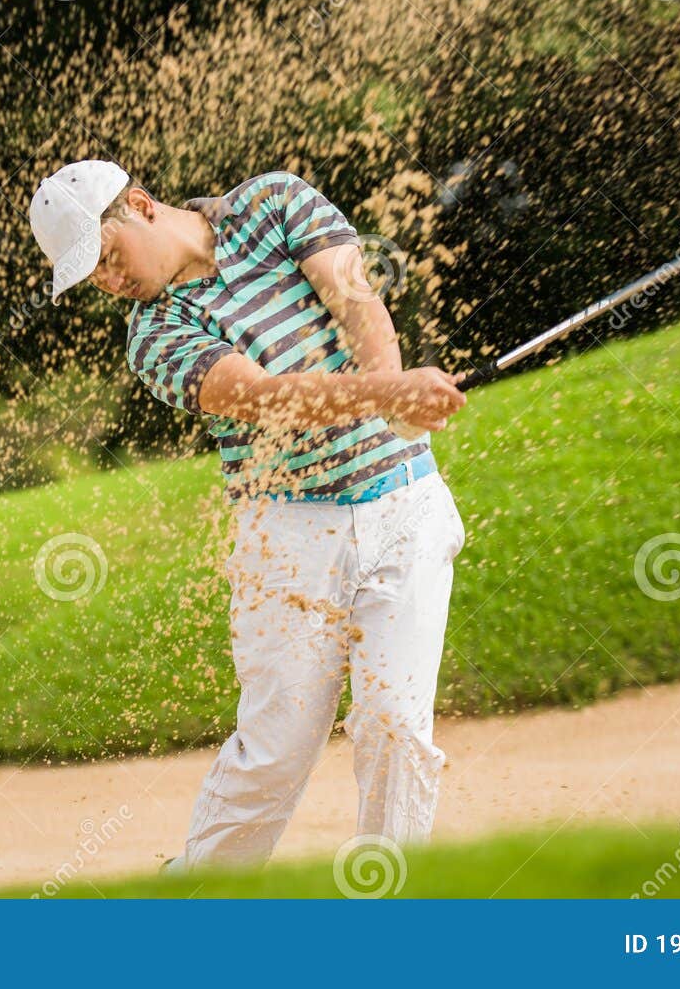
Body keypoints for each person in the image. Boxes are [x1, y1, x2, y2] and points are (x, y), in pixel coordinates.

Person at [29, 159, 468, 869]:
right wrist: (389, 396)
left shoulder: (273, 201)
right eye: (93, 280)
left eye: (108, 258)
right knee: (275, 752)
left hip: (403, 506)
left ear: (140, 205)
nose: (110, 282)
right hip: (289, 532)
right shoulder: (155, 337)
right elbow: (264, 399)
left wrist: (388, 387)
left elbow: (355, 300)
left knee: (396, 730)